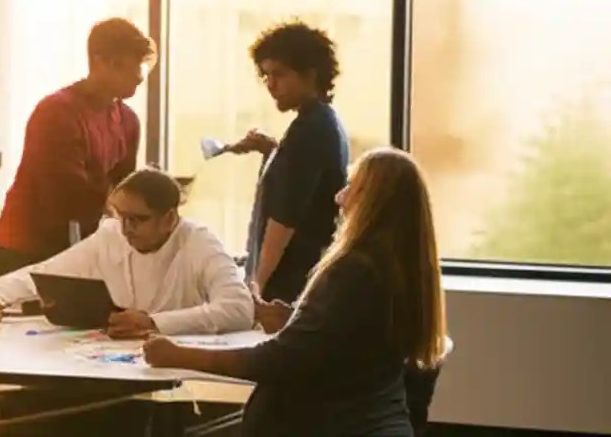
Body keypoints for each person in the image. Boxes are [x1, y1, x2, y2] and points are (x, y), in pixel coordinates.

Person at [143, 147, 449, 437]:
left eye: (352, 188)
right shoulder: (403, 271)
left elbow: (282, 361)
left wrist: (180, 355)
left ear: (374, 202)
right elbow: (355, 347)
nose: (339, 198)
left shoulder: (355, 270)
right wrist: (298, 323)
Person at [0, 167, 252, 337]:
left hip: (183, 382)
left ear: (169, 219)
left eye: (138, 219)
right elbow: (45, 273)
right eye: (122, 217)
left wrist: (154, 323)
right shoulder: (111, 235)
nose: (126, 228)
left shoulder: (199, 243)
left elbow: (239, 309)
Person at [0, 18, 156, 280]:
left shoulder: (128, 121)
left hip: (79, 249)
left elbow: (124, 189)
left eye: (141, 65)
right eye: (128, 65)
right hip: (26, 250)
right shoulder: (57, 112)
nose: (138, 75)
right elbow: (67, 194)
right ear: (100, 62)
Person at [226, 20, 349, 303]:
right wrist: (272, 151)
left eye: (279, 75)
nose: (271, 85)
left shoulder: (310, 129)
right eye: (266, 75)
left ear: (310, 75)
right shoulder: (322, 122)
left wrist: (256, 284)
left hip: (289, 282)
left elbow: (285, 219)